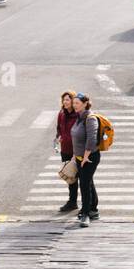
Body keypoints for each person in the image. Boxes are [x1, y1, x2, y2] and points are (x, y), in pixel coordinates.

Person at [70, 92, 100, 227]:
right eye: (74, 103)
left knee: (84, 184)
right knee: (88, 182)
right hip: (79, 157)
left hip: (89, 158)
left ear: (85, 104)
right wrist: (75, 155)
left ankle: (86, 214)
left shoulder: (90, 118)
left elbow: (92, 139)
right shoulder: (79, 117)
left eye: (77, 103)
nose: (74, 105)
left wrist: (86, 157)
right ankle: (93, 209)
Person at [54, 90, 78, 213]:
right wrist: (59, 136)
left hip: (77, 152)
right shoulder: (61, 114)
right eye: (64, 100)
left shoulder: (78, 115)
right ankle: (72, 202)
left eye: (68, 99)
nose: (65, 102)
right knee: (70, 177)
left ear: (73, 101)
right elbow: (59, 128)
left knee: (85, 180)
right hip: (65, 150)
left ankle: (89, 205)